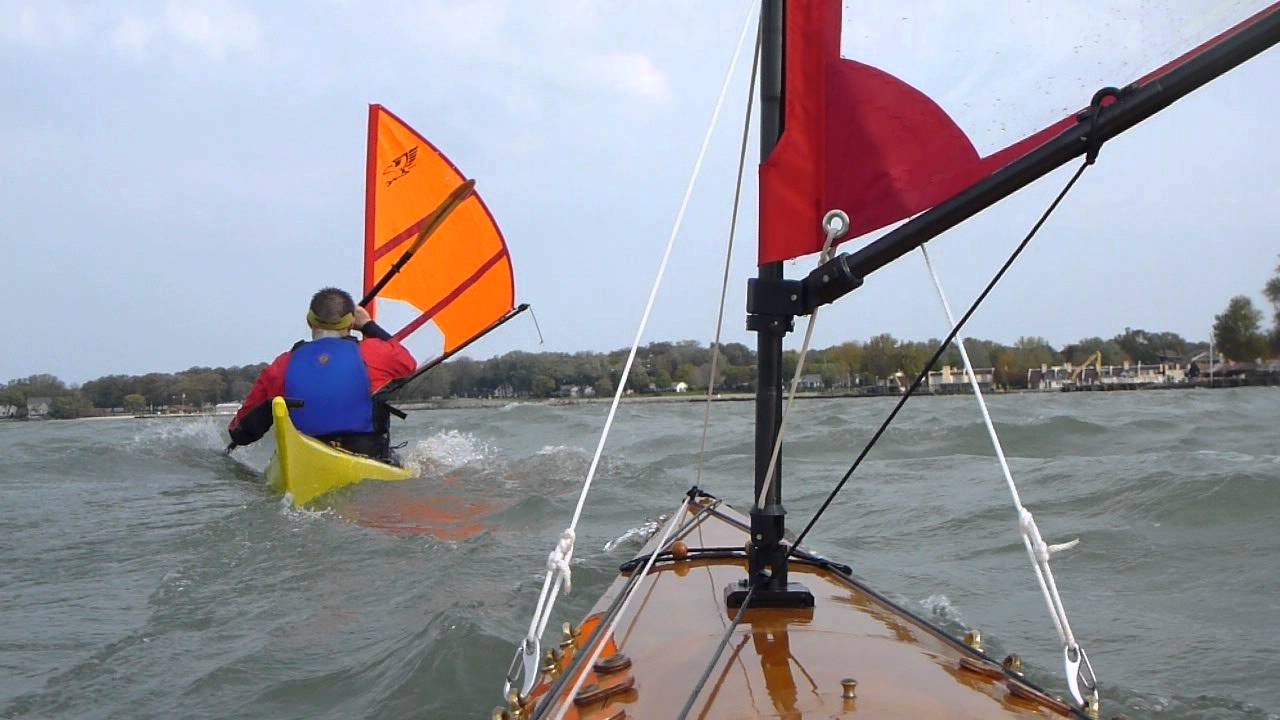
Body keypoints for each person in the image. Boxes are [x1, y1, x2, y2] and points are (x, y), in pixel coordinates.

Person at [226, 287, 415, 460]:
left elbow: (239, 430)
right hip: (367, 455)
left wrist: (239, 435)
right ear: (350, 323)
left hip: (305, 458)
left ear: (309, 321)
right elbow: (408, 363)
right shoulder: (374, 353)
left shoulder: (282, 365)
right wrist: (367, 325)